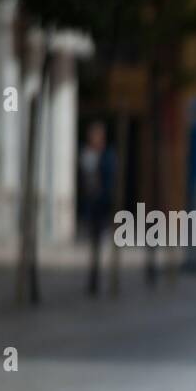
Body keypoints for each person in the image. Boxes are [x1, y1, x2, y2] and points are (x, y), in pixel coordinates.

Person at [78, 121, 116, 295]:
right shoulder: (86, 154)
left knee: (99, 240)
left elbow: (110, 180)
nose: (94, 139)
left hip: (102, 204)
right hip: (91, 203)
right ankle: (93, 278)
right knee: (94, 241)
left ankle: (98, 278)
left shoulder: (108, 156)